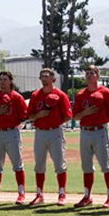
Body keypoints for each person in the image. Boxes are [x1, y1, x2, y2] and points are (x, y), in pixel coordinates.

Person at [26, 67, 72, 206]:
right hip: (40, 132)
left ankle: (62, 194)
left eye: (47, 76)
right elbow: (30, 116)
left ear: (53, 79)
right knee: (39, 164)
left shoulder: (60, 95)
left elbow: (68, 116)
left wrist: (55, 121)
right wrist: (38, 116)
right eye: (42, 76)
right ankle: (39, 194)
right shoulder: (35, 95)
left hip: (55, 131)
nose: (44, 78)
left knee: (59, 164)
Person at [72, 65, 109, 208]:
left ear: (98, 75)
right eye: (87, 73)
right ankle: (87, 196)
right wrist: (86, 113)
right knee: (86, 166)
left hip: (100, 131)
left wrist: (100, 119)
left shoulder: (105, 92)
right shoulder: (81, 95)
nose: (89, 76)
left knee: (106, 165)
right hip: (85, 131)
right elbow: (75, 116)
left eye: (92, 73)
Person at [0, 70, 28, 205]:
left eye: (5, 80)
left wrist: (15, 123)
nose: (2, 83)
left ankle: (21, 193)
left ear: (10, 81)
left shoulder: (17, 97)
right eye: (0, 80)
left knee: (17, 164)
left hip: (11, 132)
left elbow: (24, 116)